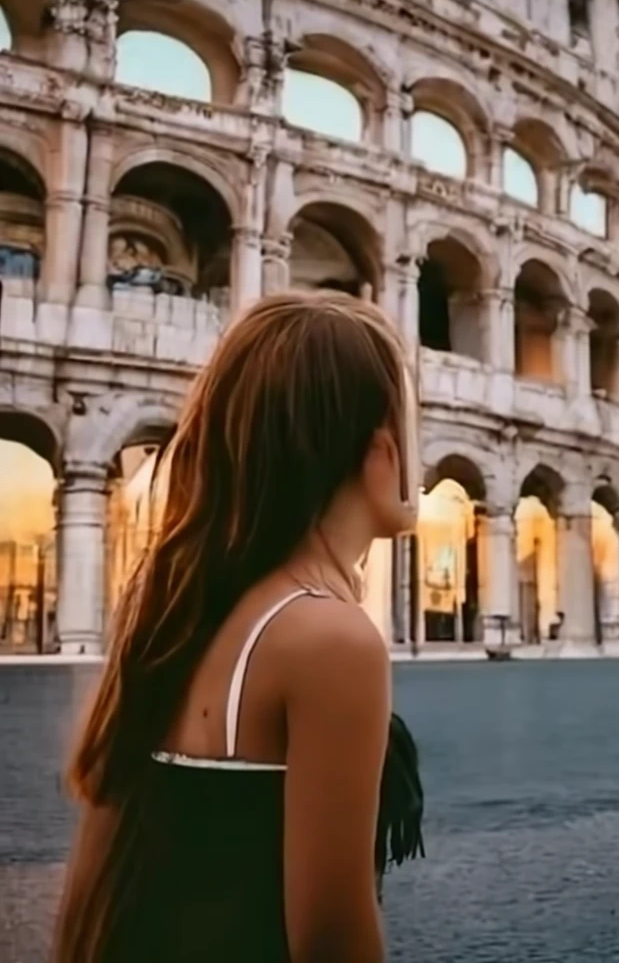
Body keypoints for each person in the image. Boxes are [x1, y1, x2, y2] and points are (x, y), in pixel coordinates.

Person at [52, 292, 421, 963]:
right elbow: (334, 939)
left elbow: (89, 895)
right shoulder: (331, 640)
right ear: (381, 447)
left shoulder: (184, 612)